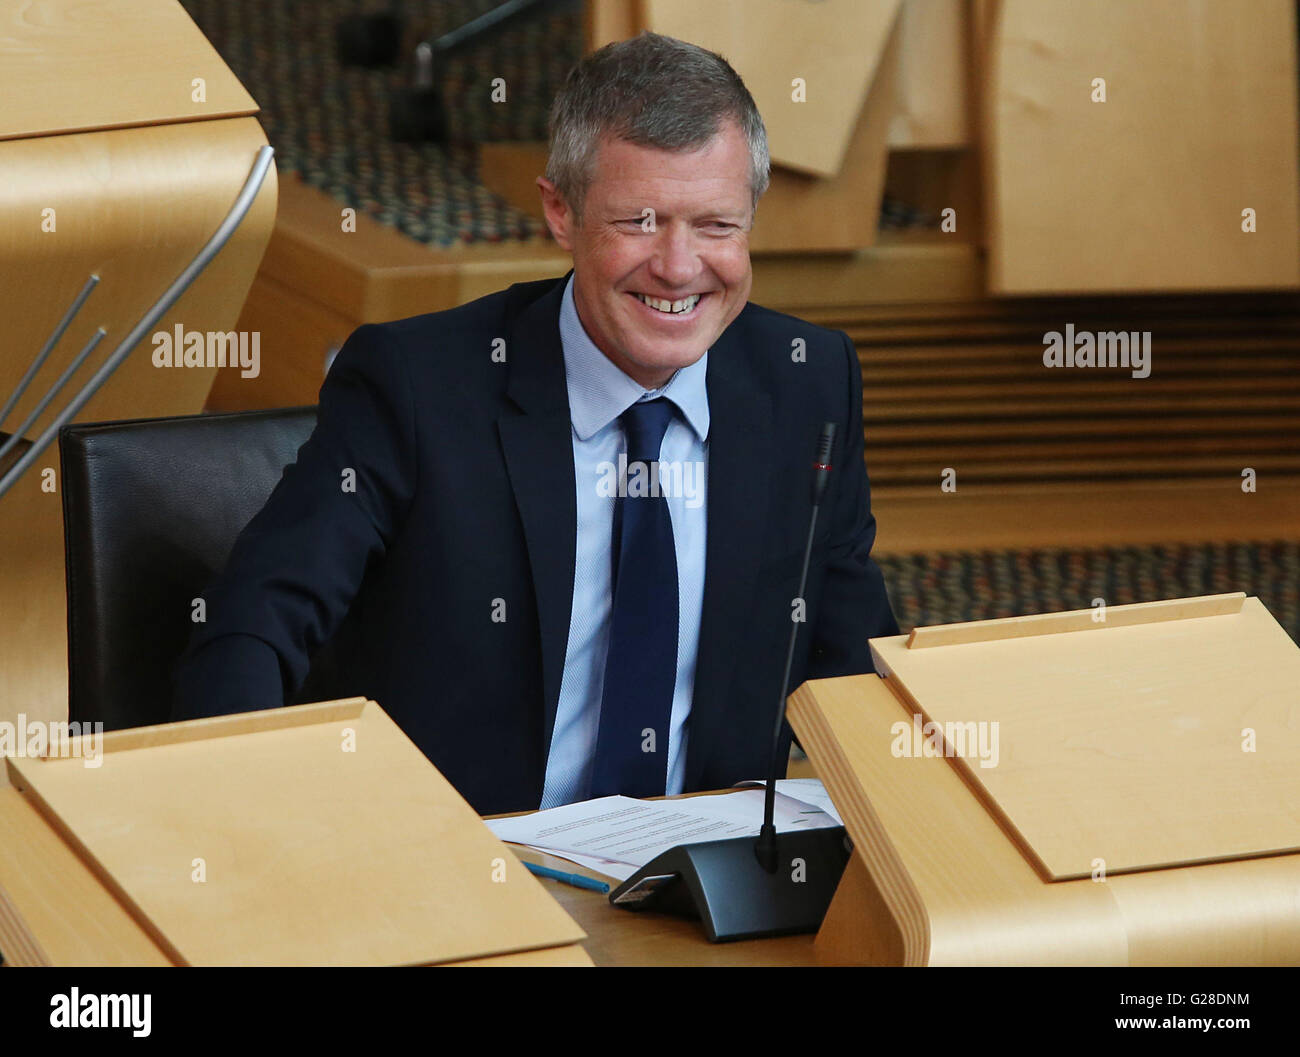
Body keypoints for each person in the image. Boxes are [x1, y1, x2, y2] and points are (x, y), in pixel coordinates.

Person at [172, 31, 898, 815]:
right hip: (463, 875)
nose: (680, 267)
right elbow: (252, 624)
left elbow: (856, 668)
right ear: (561, 211)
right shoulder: (418, 386)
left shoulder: (805, 384)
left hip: (703, 891)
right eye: (640, 222)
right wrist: (247, 831)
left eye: (718, 226)